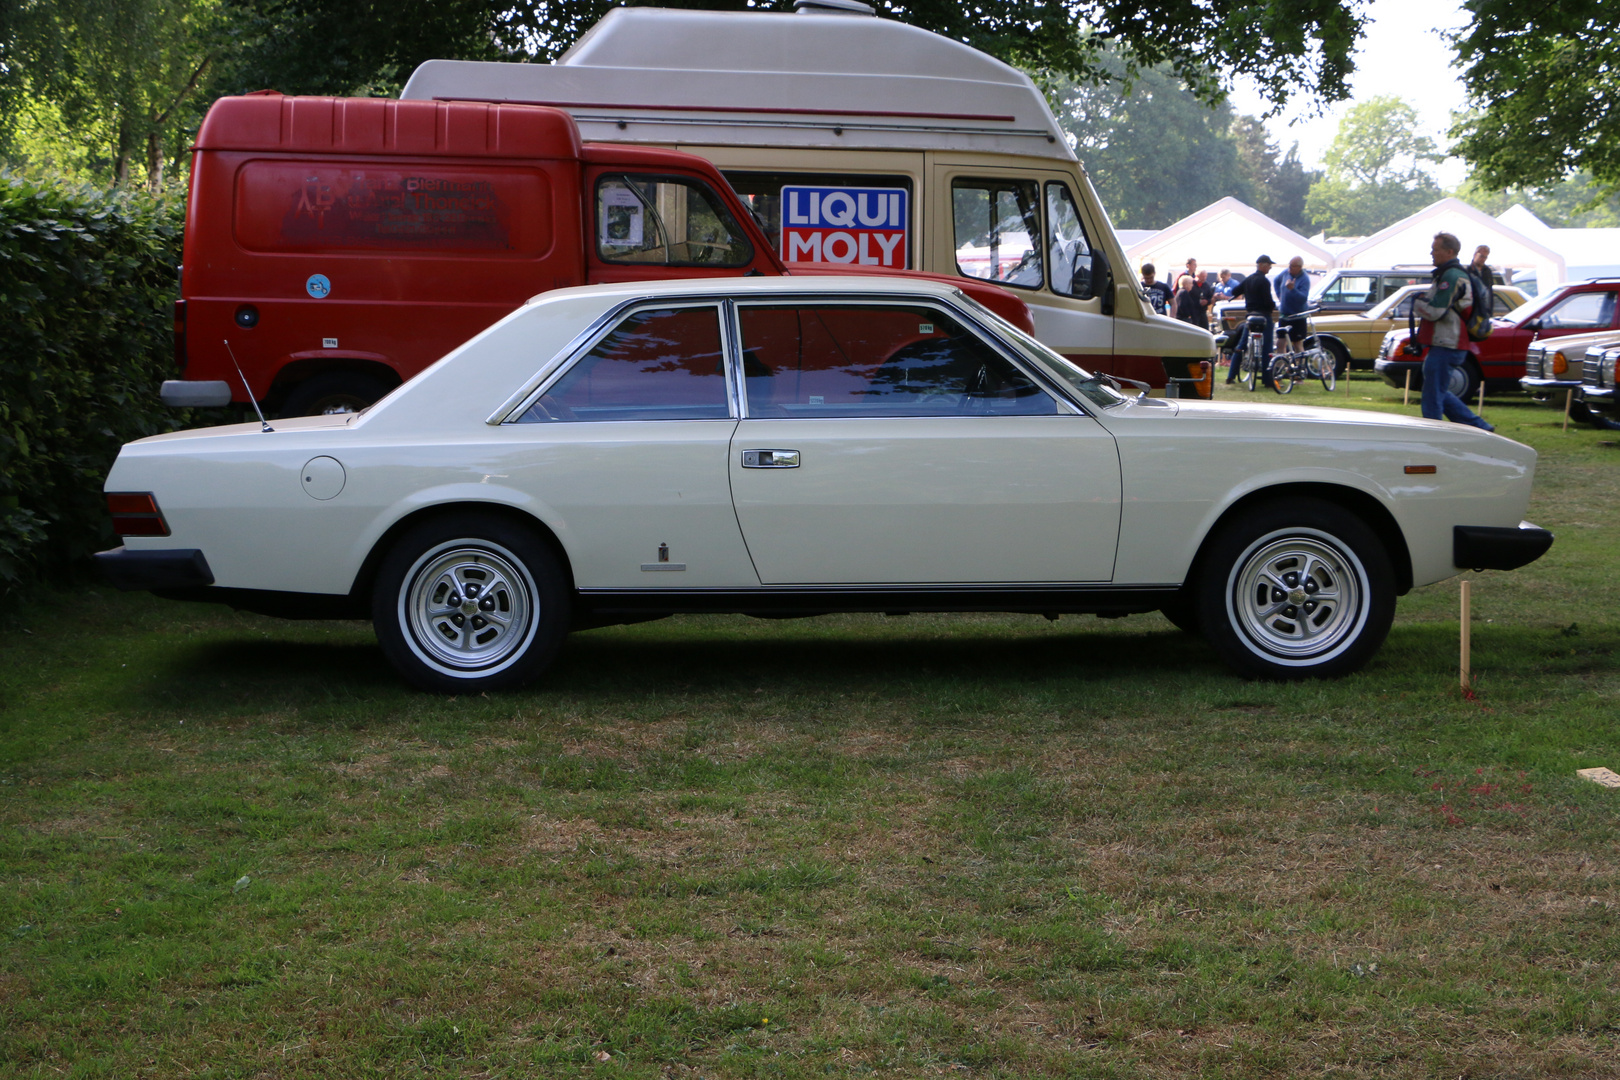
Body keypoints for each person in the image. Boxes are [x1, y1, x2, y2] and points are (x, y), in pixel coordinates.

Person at [1414, 232, 1493, 431]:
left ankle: (1432, 434)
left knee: (1432, 395)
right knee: (1438, 390)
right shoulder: (1447, 273)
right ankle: (1480, 427)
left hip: (1448, 343)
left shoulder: (1451, 276)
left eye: (1436, 249)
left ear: (1449, 252)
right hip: (1448, 343)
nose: (1431, 253)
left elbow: (1435, 311)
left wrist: (1416, 304)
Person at [1225, 255, 1276, 385]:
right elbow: (1267, 301)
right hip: (1263, 316)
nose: (1270, 267)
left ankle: (1231, 376)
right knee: (1267, 347)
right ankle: (1267, 379)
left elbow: (1235, 290)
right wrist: (1272, 306)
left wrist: (1246, 292)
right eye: (1269, 265)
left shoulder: (1249, 279)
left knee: (1241, 346)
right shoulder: (1264, 281)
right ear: (1263, 265)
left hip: (1250, 317)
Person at [1273, 256, 1311, 354]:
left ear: (1299, 267)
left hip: (1297, 317)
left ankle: (1300, 367)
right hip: (1284, 315)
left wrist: (1293, 289)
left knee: (1297, 343)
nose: (1290, 268)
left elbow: (1303, 298)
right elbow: (1276, 281)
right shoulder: (1285, 273)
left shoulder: (1304, 279)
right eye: (1289, 265)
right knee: (1280, 343)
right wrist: (1280, 296)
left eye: (1293, 266)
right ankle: (1281, 366)